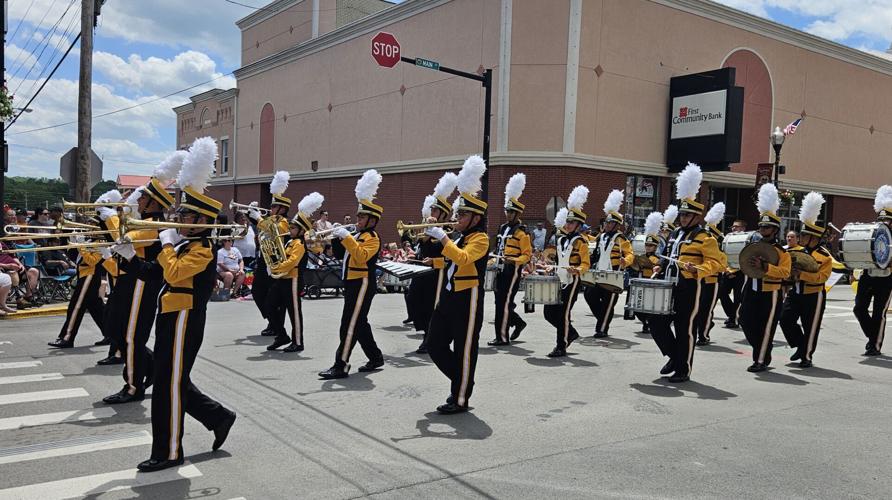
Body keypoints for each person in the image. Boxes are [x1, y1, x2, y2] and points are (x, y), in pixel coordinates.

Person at [111, 137, 236, 473]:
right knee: (172, 381)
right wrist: (128, 260)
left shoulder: (202, 249)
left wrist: (165, 244)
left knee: (168, 385)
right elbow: (156, 274)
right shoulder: (185, 244)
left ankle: (169, 452)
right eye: (180, 212)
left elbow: (175, 271)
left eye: (185, 214)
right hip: (171, 316)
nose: (178, 217)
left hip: (185, 319)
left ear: (201, 220)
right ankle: (218, 416)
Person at [103, 149, 186, 404]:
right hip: (129, 281)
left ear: (154, 203)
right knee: (114, 328)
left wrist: (110, 220)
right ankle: (147, 368)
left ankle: (133, 386)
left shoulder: (154, 224)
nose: (137, 202)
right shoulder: (139, 218)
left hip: (143, 284)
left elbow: (125, 238)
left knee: (131, 336)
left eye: (143, 199)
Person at [424, 155, 489, 414]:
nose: (457, 217)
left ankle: (461, 396)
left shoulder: (481, 239)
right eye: (458, 213)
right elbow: (453, 264)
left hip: (468, 299)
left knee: (464, 349)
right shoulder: (460, 238)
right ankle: (462, 381)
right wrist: (434, 262)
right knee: (434, 344)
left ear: (475, 217)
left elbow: (463, 259)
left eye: (462, 214)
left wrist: (442, 238)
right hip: (449, 297)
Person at [649, 164, 723, 382]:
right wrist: (659, 267)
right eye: (681, 214)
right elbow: (669, 258)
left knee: (685, 329)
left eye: (687, 215)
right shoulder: (674, 234)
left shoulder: (705, 238)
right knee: (656, 322)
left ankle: (684, 369)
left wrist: (697, 269)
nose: (682, 218)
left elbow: (716, 263)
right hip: (669, 285)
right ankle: (674, 356)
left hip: (690, 287)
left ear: (697, 216)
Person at [319, 170, 385, 379]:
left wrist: (347, 238)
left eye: (362, 216)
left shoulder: (372, 237)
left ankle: (341, 364)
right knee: (360, 322)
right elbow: (339, 255)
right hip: (352, 282)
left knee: (349, 324)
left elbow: (361, 256)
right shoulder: (356, 235)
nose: (358, 219)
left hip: (363, 283)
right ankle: (375, 357)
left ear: (372, 220)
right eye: (358, 216)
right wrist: (338, 239)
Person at [739, 183, 792, 373]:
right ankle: (761, 350)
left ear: (775, 229)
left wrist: (766, 266)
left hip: (771, 293)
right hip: (751, 289)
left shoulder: (781, 252)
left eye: (767, 226)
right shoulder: (753, 245)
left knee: (766, 327)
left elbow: (785, 273)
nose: (763, 229)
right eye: (761, 225)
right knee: (744, 320)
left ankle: (761, 360)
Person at [779, 192, 832, 368]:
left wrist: (801, 274)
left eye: (804, 236)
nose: (801, 238)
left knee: (811, 327)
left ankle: (806, 356)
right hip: (796, 292)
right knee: (785, 319)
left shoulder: (824, 256)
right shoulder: (798, 251)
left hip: (814, 295)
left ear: (814, 238)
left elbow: (821, 277)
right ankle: (801, 345)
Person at [266, 192, 323, 352]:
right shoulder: (291, 241)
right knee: (269, 306)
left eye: (293, 228)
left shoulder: (298, 243)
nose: (289, 229)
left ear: (300, 230)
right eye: (290, 227)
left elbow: (292, 262)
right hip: (283, 278)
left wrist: (276, 268)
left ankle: (298, 342)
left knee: (294, 312)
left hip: (293, 280)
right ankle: (281, 335)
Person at [409, 172, 457, 354]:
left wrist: (434, 261)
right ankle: (427, 335)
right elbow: (423, 247)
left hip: (437, 275)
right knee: (413, 300)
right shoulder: (429, 229)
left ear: (444, 213)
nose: (433, 214)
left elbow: (449, 258)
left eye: (436, 211)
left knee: (431, 306)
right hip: (422, 272)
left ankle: (429, 339)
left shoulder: (448, 233)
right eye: (432, 210)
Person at [544, 189, 591, 358]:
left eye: (572, 222)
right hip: (559, 278)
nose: (568, 224)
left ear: (578, 225)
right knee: (548, 313)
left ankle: (561, 346)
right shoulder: (561, 239)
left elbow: (586, 263)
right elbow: (559, 260)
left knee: (563, 313)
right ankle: (570, 332)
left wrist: (577, 270)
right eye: (568, 221)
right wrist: (552, 266)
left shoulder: (581, 242)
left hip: (572, 280)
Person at [247, 171, 292, 337]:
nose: (271, 209)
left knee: (276, 298)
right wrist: (250, 214)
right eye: (272, 206)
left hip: (277, 262)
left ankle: (275, 324)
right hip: (264, 260)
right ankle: (272, 321)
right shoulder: (270, 221)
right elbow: (263, 230)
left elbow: (274, 231)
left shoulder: (285, 222)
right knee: (258, 292)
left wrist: (258, 218)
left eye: (274, 207)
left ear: (283, 208)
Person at [488, 173, 532, 346]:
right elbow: (498, 248)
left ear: (517, 213)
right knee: (500, 302)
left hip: (512, 270)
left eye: (511, 212)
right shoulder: (502, 228)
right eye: (507, 211)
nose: (508, 214)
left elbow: (527, 255)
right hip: (499, 268)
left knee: (503, 303)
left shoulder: (522, 232)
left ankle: (502, 337)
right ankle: (518, 323)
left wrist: (513, 261)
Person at [48, 229, 109, 348]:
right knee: (96, 309)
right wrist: (73, 242)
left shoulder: (101, 242)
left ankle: (67, 338)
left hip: (90, 276)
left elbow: (91, 261)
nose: (89, 228)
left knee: (75, 307)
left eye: (92, 226)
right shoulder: (90, 240)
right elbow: (75, 258)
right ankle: (111, 335)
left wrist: (81, 246)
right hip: (83, 275)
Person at [585, 189, 634, 338]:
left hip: (614, 273)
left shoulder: (621, 239)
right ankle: (603, 318)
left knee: (608, 302)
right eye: (606, 222)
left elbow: (630, 254)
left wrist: (625, 261)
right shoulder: (602, 236)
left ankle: (602, 329)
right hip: (599, 273)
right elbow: (594, 248)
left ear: (616, 225)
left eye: (609, 222)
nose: (606, 224)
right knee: (589, 295)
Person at [853, 185, 892, 356]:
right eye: (882, 220)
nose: (884, 223)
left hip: (887, 278)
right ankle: (873, 335)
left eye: (888, 220)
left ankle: (875, 345)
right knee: (859, 309)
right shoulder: (873, 232)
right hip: (868, 274)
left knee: (879, 313)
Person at [695, 203, 728, 346]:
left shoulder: (720, 253)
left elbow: (722, 267)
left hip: (712, 282)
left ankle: (703, 335)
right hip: (698, 280)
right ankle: (706, 326)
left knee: (706, 309)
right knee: (697, 309)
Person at [719, 219, 747, 328]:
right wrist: (726, 269)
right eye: (733, 226)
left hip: (741, 272)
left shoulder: (747, 239)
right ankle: (732, 315)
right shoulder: (728, 238)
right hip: (727, 270)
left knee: (738, 297)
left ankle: (733, 319)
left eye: (737, 226)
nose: (734, 228)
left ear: (743, 229)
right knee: (722, 293)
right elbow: (723, 254)